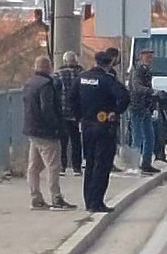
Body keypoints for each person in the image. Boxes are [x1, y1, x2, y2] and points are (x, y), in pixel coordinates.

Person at [74, 51, 130, 213]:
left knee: (90, 163)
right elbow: (125, 97)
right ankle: (97, 202)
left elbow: (72, 98)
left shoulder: (82, 78)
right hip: (105, 126)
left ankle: (88, 200)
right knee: (102, 164)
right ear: (110, 63)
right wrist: (115, 112)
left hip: (87, 125)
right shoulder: (108, 80)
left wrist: (79, 117)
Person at [22, 56, 76, 210]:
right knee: (53, 166)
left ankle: (36, 197)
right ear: (48, 67)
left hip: (32, 129)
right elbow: (47, 109)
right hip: (46, 132)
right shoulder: (46, 85)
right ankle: (56, 197)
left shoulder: (29, 83)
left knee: (34, 167)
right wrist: (57, 127)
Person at [128, 47, 159, 175]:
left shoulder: (146, 69)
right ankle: (134, 165)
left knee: (149, 136)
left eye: (151, 56)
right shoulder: (138, 69)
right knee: (138, 137)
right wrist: (151, 92)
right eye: (147, 56)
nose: (150, 59)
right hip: (137, 106)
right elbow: (136, 87)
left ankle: (146, 163)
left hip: (146, 106)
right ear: (141, 56)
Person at [54, 51, 84, 176]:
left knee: (63, 141)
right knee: (76, 141)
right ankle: (77, 167)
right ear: (76, 61)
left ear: (65, 61)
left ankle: (62, 166)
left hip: (63, 112)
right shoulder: (82, 75)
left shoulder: (58, 74)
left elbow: (55, 92)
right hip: (77, 113)